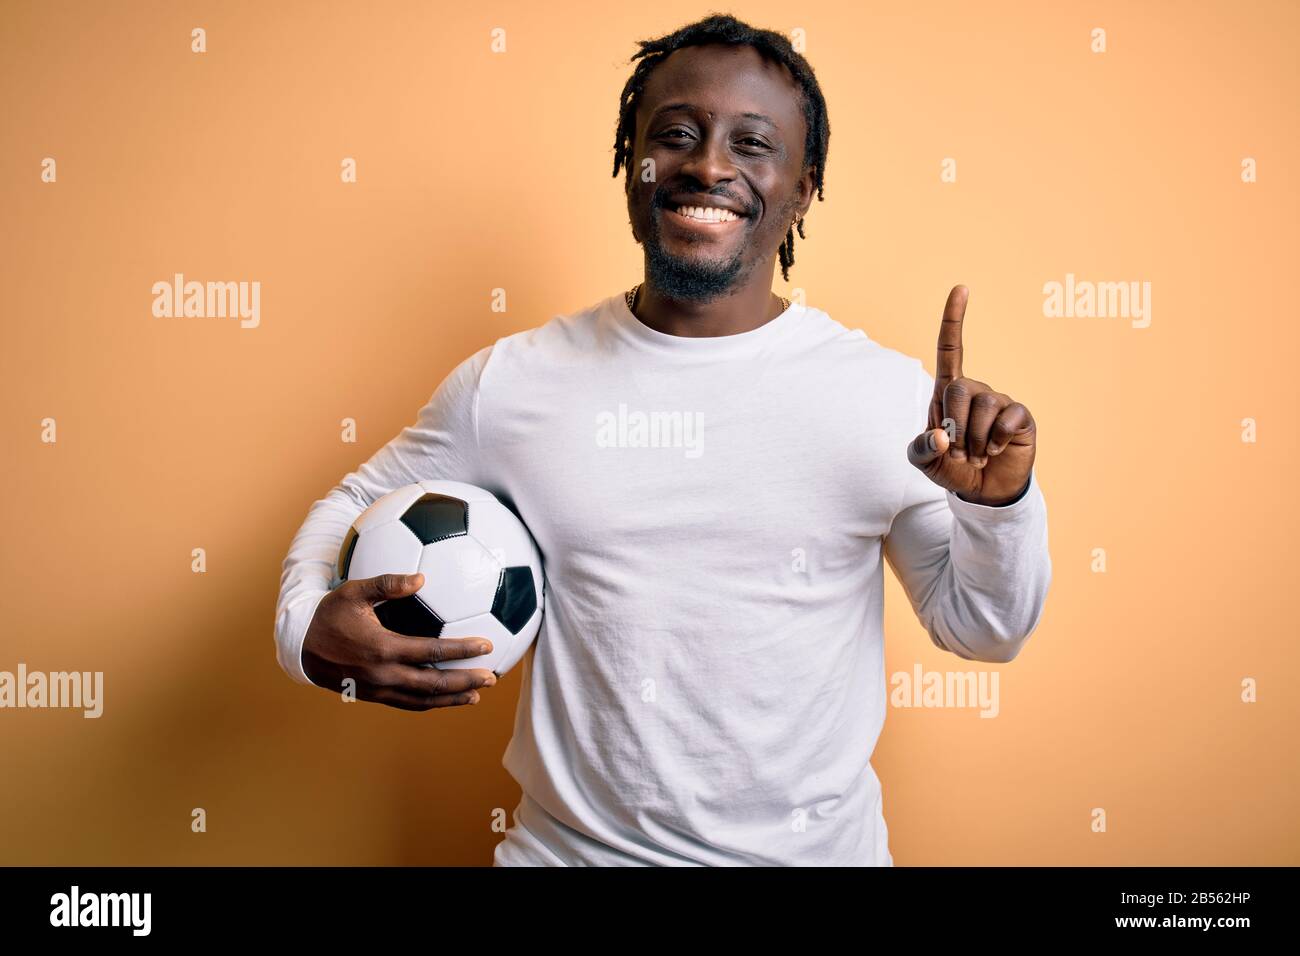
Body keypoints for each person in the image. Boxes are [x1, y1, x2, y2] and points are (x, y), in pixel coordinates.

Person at [274, 13, 1051, 866]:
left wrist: (999, 507)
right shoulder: (514, 382)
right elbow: (352, 504)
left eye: (753, 145)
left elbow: (987, 630)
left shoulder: (885, 397)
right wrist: (307, 631)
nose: (709, 165)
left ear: (804, 187)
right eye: (675, 134)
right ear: (630, 166)